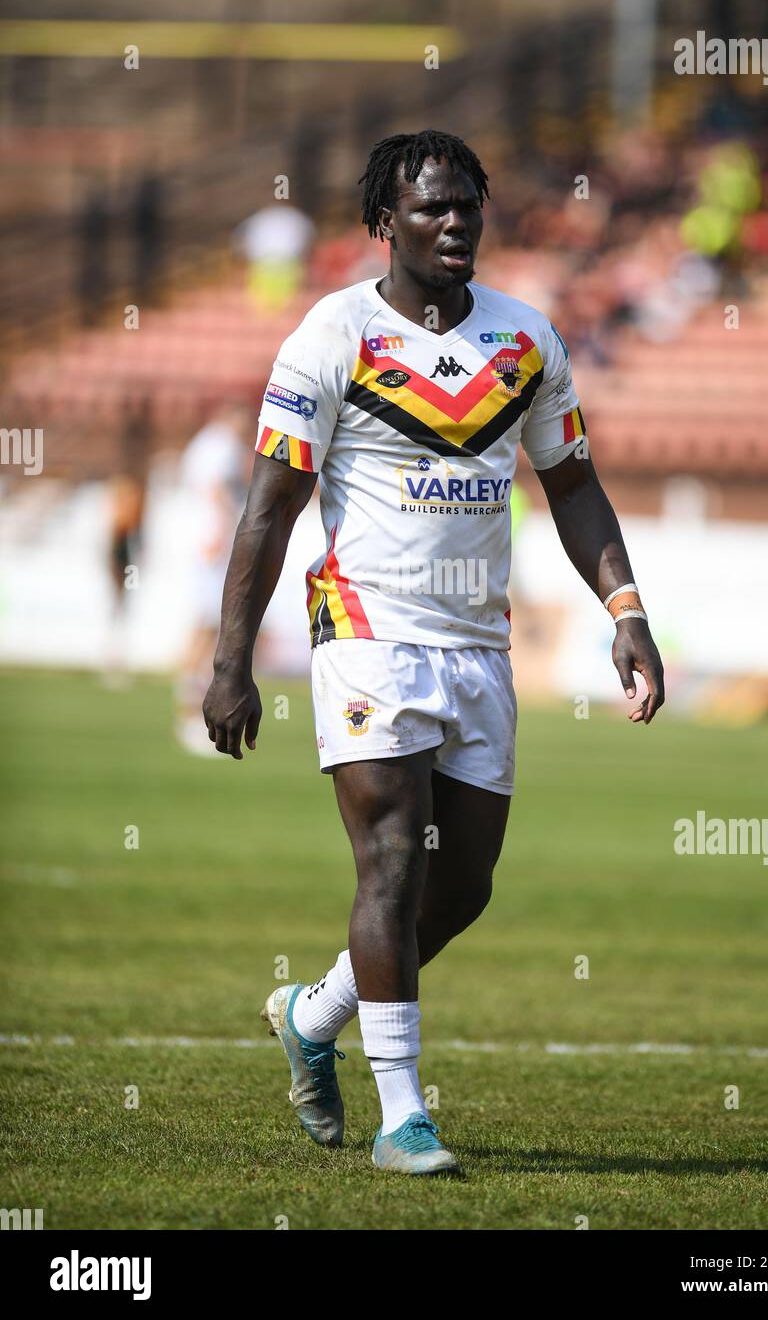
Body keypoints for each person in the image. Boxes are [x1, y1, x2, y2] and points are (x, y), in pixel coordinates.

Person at [203, 130, 664, 1175]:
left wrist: (625, 609)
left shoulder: (527, 339)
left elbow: (575, 485)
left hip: (475, 645)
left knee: (462, 889)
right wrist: (231, 661)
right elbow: (269, 509)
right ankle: (403, 1115)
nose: (454, 223)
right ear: (385, 223)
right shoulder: (330, 336)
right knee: (394, 863)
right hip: (365, 630)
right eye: (430, 209)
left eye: (466, 206)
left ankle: (312, 1014)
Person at [177, 404, 250, 753]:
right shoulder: (221, 445)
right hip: (213, 545)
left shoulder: (204, 443)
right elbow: (217, 491)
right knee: (207, 630)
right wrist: (227, 531)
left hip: (204, 542)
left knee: (206, 629)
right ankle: (190, 712)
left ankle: (191, 710)